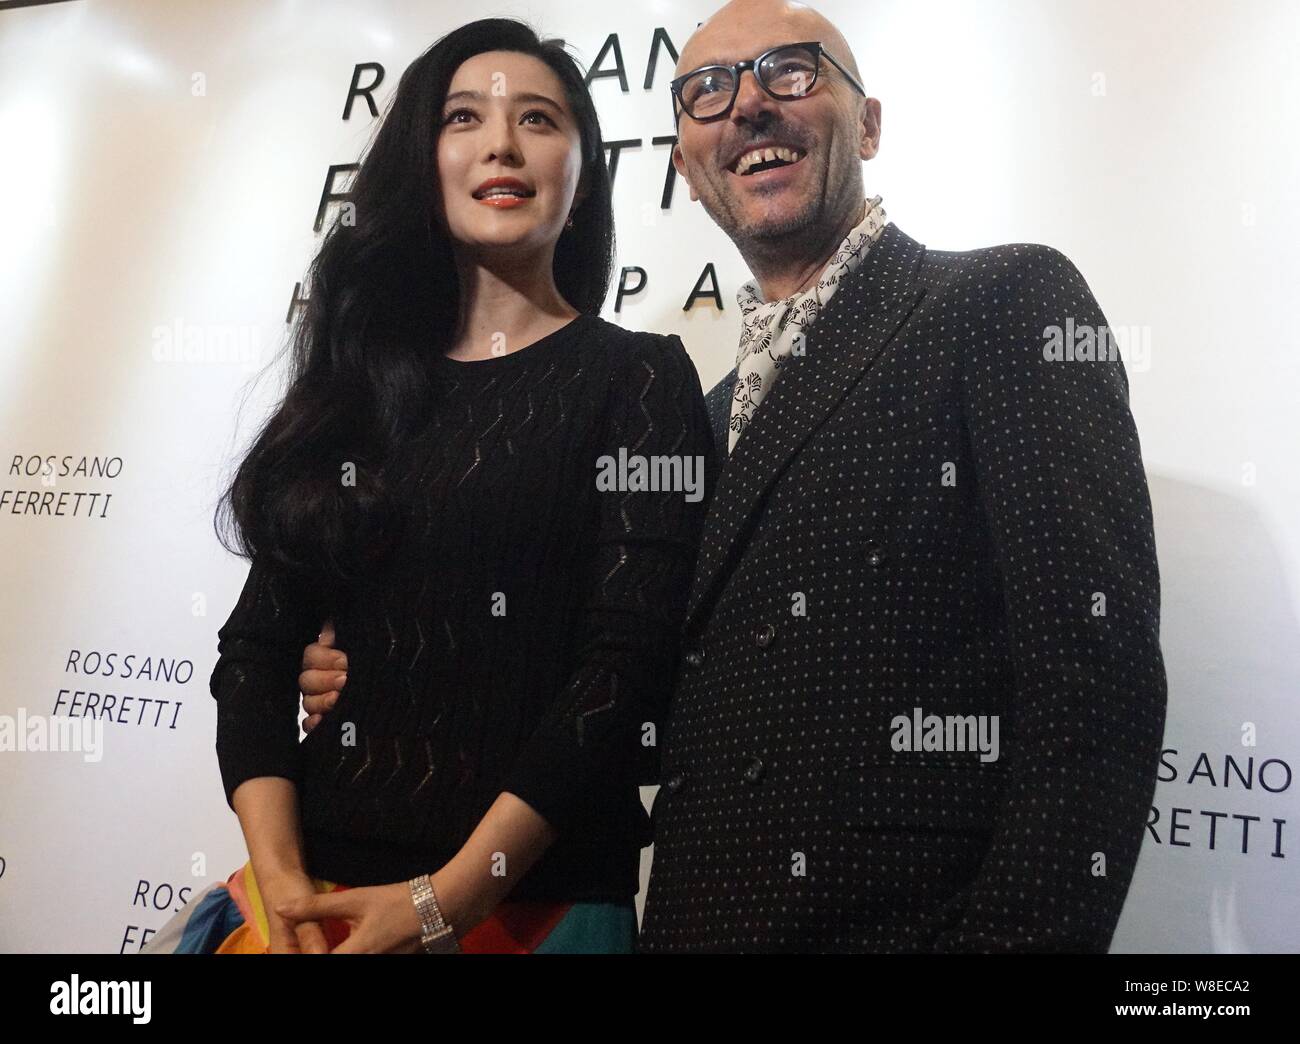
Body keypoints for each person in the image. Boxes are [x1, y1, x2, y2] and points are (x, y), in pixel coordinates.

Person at [302, 0, 1168, 953]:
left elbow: (1093, 687)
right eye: (706, 92)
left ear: (869, 122)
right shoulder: (697, 419)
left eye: (791, 71)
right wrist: (384, 659)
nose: (748, 106)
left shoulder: (1003, 300)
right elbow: (619, 681)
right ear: (685, 164)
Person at [143, 17, 712, 954]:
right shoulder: (361, 385)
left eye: (538, 120)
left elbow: (624, 671)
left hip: (530, 915)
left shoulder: (639, 380)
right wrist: (284, 890)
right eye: (463, 119)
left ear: (581, 172)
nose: (501, 145)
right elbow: (254, 652)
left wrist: (445, 899)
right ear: (423, 157)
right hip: (308, 908)